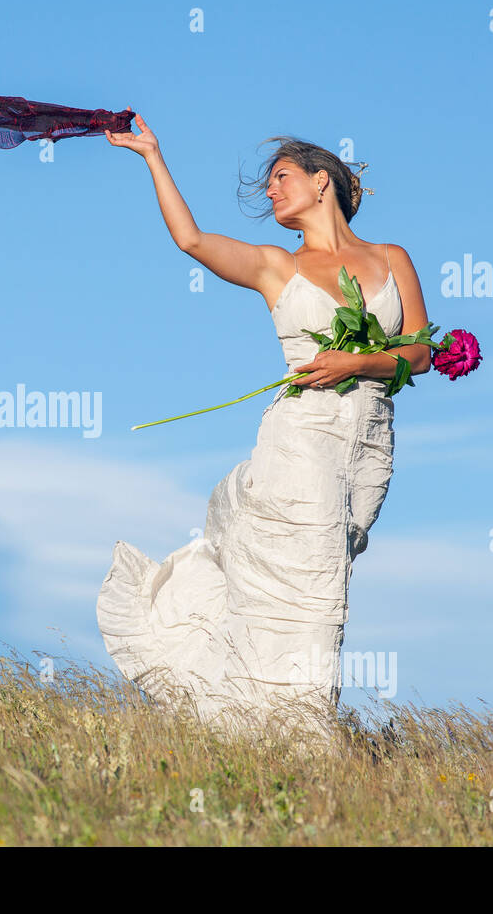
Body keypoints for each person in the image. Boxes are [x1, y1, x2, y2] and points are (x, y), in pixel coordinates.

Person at [98, 110, 431, 751]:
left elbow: (417, 353)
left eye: (281, 177)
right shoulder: (279, 266)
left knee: (330, 573)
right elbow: (192, 240)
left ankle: (256, 723)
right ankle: (301, 740)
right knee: (309, 591)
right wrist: (152, 157)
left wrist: (358, 361)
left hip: (369, 449)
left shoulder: (392, 259)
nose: (270, 191)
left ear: (322, 182)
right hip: (300, 441)